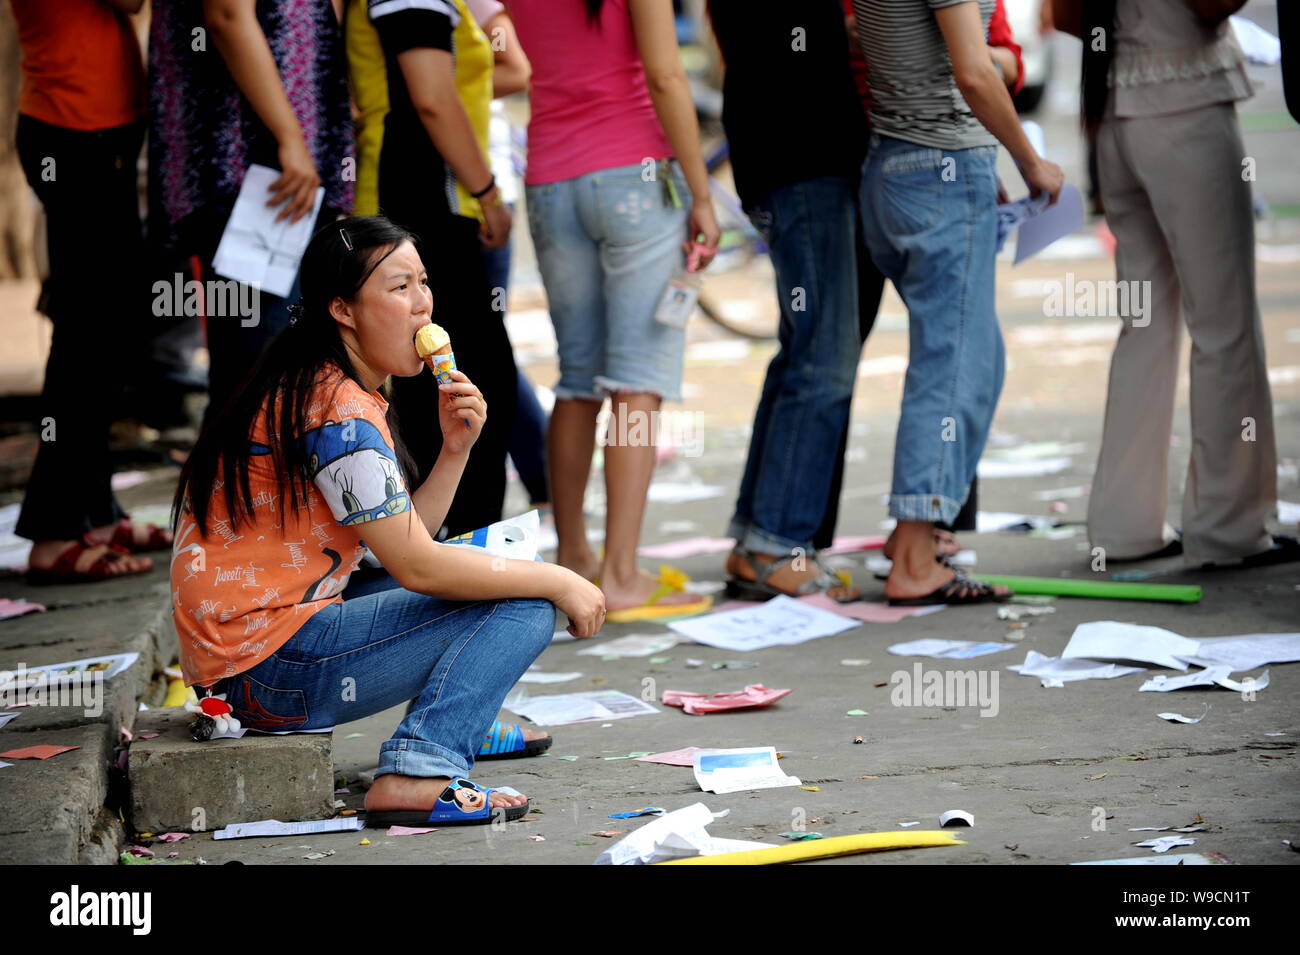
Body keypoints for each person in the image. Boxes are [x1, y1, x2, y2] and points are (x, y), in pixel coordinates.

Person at [170, 218, 606, 825]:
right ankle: (418, 771)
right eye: (399, 288)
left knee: (492, 574)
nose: (423, 303)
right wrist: (559, 579)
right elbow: (416, 566)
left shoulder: (320, 385)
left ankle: (458, 720)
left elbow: (398, 545)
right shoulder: (339, 414)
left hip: (251, 662)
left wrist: (455, 449)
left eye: (423, 282)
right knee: (524, 601)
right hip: (268, 672)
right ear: (343, 309)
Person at [1053, 0, 1297, 569]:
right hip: (1185, 103)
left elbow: (1064, 14)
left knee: (1144, 326)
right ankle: (1228, 528)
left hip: (1115, 113)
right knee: (1224, 324)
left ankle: (1122, 526)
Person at [504, 0, 721, 621]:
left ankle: (576, 557)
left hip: (550, 180)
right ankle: (622, 573)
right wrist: (701, 193)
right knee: (637, 379)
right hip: (634, 174)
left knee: (577, 381)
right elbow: (666, 76)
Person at [853, 0, 1063, 604]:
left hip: (894, 164)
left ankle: (909, 537)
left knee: (975, 356)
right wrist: (1030, 161)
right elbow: (973, 72)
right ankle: (917, 557)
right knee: (952, 368)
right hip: (938, 162)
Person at [707, 1, 872, 601]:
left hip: (782, 156)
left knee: (805, 352)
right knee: (823, 359)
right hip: (804, 157)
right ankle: (776, 544)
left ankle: (758, 537)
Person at [12, 0, 173, 584]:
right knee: (88, 340)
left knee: (105, 337)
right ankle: (54, 535)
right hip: (72, 137)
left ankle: (96, 513)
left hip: (95, 131)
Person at [148, 0, 354, 423]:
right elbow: (226, 15)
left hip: (277, 172)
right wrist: (289, 137)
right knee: (262, 376)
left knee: (271, 369)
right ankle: (239, 489)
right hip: (250, 170)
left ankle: (243, 487)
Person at [365, 0, 519, 536]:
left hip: (419, 212)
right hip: (416, 210)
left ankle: (460, 556)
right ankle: (461, 562)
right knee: (461, 386)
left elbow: (513, 70)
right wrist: (488, 191)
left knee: (463, 384)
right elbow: (432, 97)